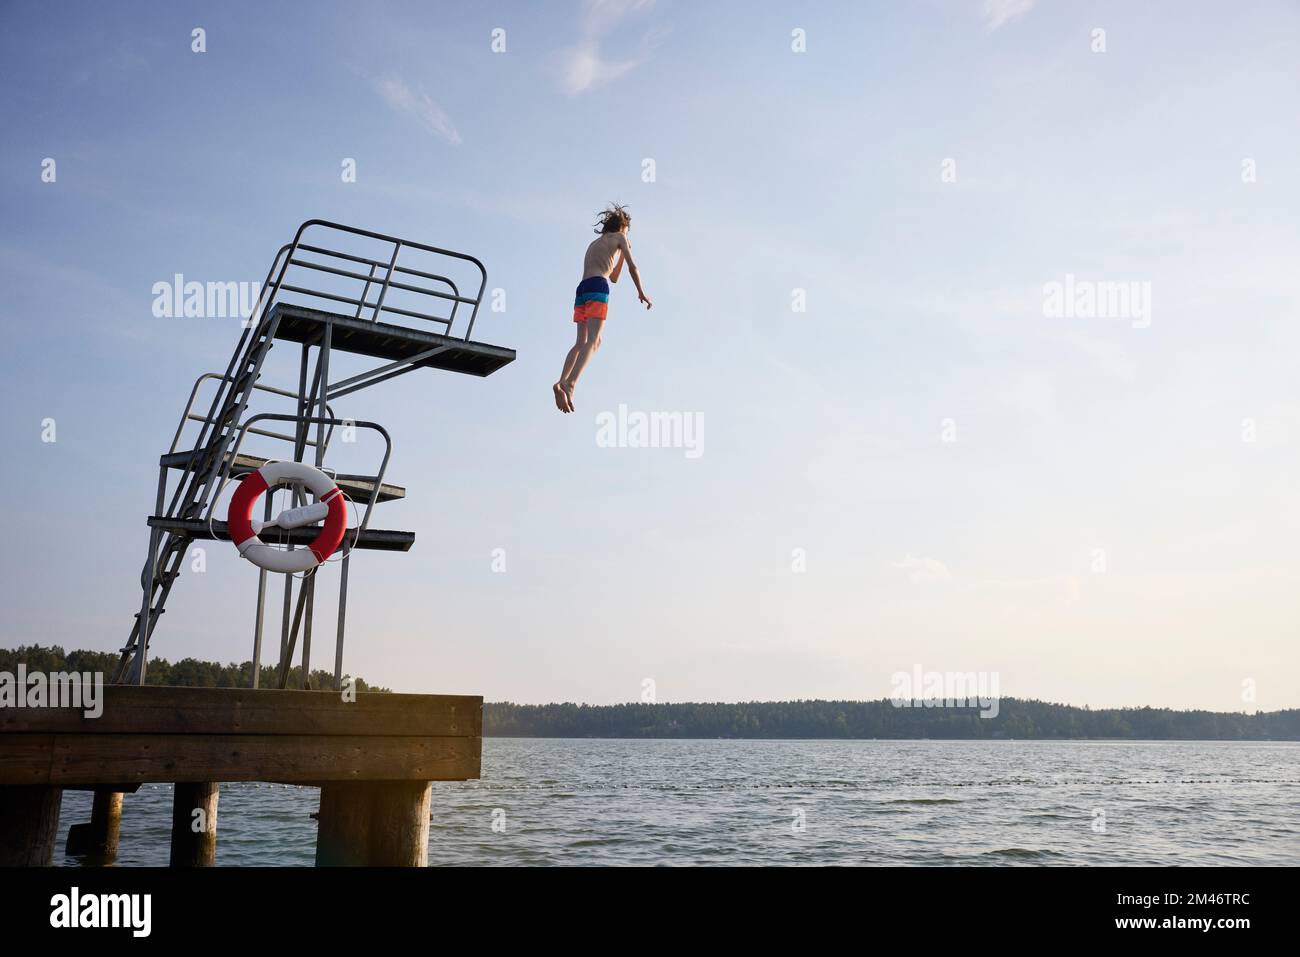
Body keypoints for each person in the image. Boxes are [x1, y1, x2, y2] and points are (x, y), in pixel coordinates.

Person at [553, 204, 652, 413]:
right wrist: (641, 291)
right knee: (595, 340)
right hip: (598, 286)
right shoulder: (620, 237)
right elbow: (633, 268)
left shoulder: (594, 244)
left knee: (580, 342)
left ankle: (561, 382)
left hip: (582, 289)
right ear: (622, 227)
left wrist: (622, 256)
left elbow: (614, 276)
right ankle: (571, 384)